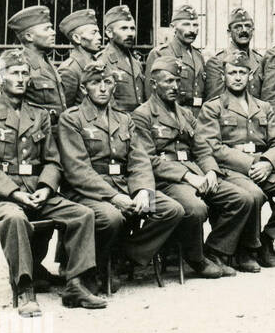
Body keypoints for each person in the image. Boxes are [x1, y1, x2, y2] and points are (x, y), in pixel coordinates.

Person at [0, 49, 100, 314]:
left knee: (83, 214)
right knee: (15, 219)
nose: (20, 78)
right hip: (0, 196)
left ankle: (75, 283)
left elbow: (53, 160)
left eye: (24, 73)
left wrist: (45, 187)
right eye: (13, 73)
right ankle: (25, 289)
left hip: (37, 191)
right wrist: (14, 193)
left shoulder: (39, 115)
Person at [57, 60, 184, 292]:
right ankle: (95, 267)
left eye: (108, 82)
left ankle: (123, 255)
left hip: (124, 185)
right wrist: (114, 197)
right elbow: (77, 170)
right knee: (111, 217)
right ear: (84, 89)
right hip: (87, 191)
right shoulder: (71, 119)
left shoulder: (124, 119)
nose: (103, 88)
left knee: (171, 210)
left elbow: (139, 159)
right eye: (96, 83)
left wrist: (143, 190)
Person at [133, 56, 260, 276]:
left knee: (242, 199)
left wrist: (210, 170)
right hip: (167, 180)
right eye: (168, 81)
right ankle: (196, 259)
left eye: (177, 81)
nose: (174, 86)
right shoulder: (142, 115)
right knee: (196, 208)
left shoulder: (186, 113)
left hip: (197, 173)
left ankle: (214, 250)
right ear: (153, 84)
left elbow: (202, 148)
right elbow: (147, 160)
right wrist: (188, 177)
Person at [196, 51, 275, 269]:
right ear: (224, 76)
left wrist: (267, 162)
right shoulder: (213, 107)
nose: (237, 77)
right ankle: (245, 250)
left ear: (250, 75)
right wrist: (250, 164)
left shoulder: (263, 107)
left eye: (242, 72)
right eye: (232, 72)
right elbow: (213, 147)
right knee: (254, 195)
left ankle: (266, 240)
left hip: (264, 165)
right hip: (233, 168)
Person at [147, 4, 209, 117]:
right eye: (186, 24)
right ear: (173, 27)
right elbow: (151, 96)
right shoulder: (160, 53)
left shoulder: (198, 55)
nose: (192, 30)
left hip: (198, 117)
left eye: (195, 25)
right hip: (172, 116)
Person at [7, 5, 65, 120]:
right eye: (46, 29)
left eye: (51, 28)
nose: (53, 32)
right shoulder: (19, 64)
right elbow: (4, 106)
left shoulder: (48, 63)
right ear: (29, 37)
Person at [205, 7, 264, 100]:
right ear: (229, 33)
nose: (244, 30)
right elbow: (215, 102)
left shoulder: (260, 61)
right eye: (238, 27)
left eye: (247, 26)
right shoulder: (217, 62)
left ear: (253, 31)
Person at [96, 4, 146, 111]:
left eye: (132, 29)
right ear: (109, 33)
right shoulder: (102, 61)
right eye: (124, 28)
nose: (130, 34)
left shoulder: (136, 62)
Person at [57, 8, 101, 106]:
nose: (99, 37)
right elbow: (65, 110)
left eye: (98, 32)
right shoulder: (69, 70)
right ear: (77, 38)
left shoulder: (98, 63)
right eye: (93, 33)